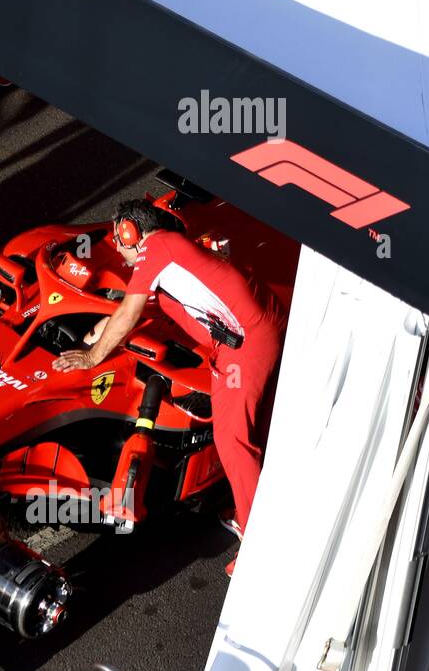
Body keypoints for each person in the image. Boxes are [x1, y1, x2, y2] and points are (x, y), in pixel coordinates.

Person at [52, 199, 287, 576]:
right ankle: (255, 506)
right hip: (252, 330)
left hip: (244, 343)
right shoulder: (171, 258)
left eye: (117, 237)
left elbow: (128, 312)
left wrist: (93, 358)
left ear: (131, 231)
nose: (117, 246)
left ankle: (262, 541)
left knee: (233, 442)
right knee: (254, 434)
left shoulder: (156, 247)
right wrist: (89, 339)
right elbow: (132, 312)